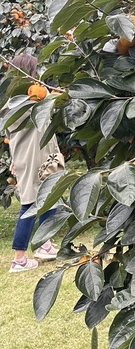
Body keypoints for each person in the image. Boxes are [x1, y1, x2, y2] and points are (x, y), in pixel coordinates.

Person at [2, 53, 64, 273]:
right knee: (30, 203)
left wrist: (13, 160)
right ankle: (18, 260)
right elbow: (49, 98)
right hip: (36, 157)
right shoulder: (31, 97)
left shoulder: (10, 101)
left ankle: (44, 245)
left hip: (32, 157)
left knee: (49, 197)